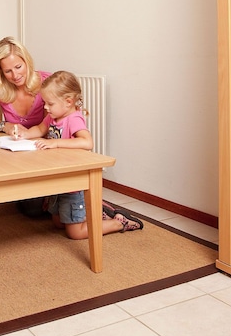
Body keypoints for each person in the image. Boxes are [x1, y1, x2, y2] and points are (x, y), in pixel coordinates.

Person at [16, 71, 143, 238]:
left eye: (50, 103)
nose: (45, 107)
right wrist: (24, 134)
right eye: (45, 103)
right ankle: (92, 215)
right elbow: (40, 129)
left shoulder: (74, 119)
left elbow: (87, 142)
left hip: (73, 184)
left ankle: (118, 222)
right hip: (59, 180)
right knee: (58, 223)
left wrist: (55, 143)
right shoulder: (53, 116)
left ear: (68, 102)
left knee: (74, 233)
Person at [0, 36, 51, 135]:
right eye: (7, 71)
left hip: (46, 145)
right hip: (14, 144)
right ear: (1, 72)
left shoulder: (49, 82)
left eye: (18, 67)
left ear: (27, 61)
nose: (15, 76)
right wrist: (6, 126)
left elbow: (56, 122)